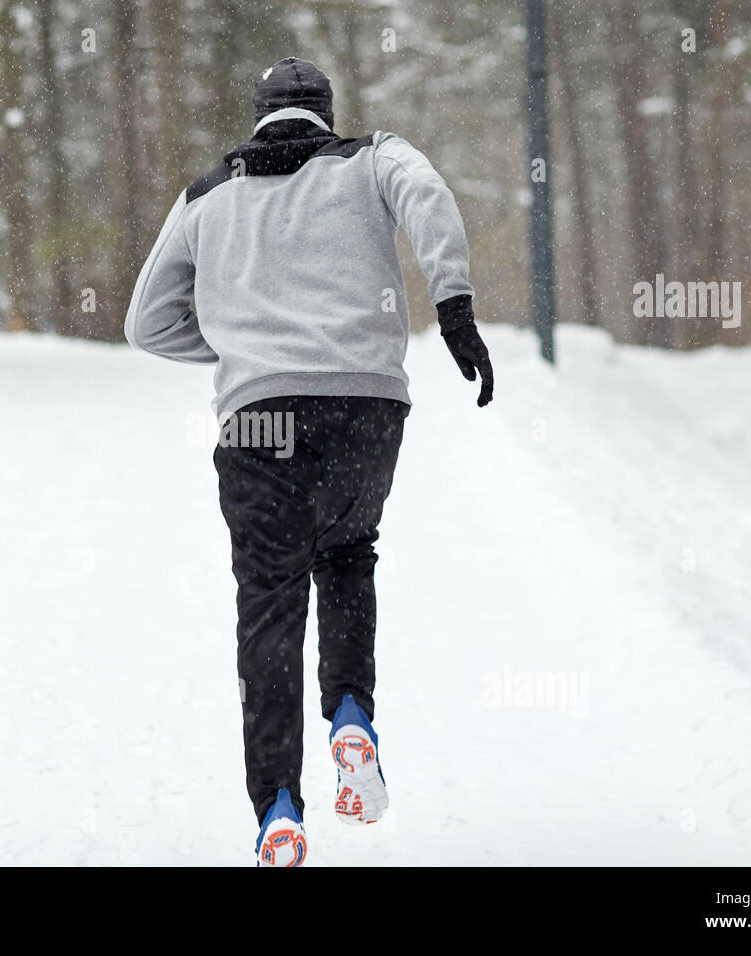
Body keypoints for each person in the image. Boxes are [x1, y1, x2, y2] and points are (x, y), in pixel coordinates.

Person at [124, 56, 494, 866]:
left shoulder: (206, 194)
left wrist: (244, 347)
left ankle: (279, 812)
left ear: (258, 114)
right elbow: (428, 192)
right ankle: (352, 717)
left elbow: (145, 323)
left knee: (269, 604)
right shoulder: (374, 157)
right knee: (348, 556)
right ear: (327, 111)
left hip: (260, 421)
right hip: (367, 409)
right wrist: (454, 305)